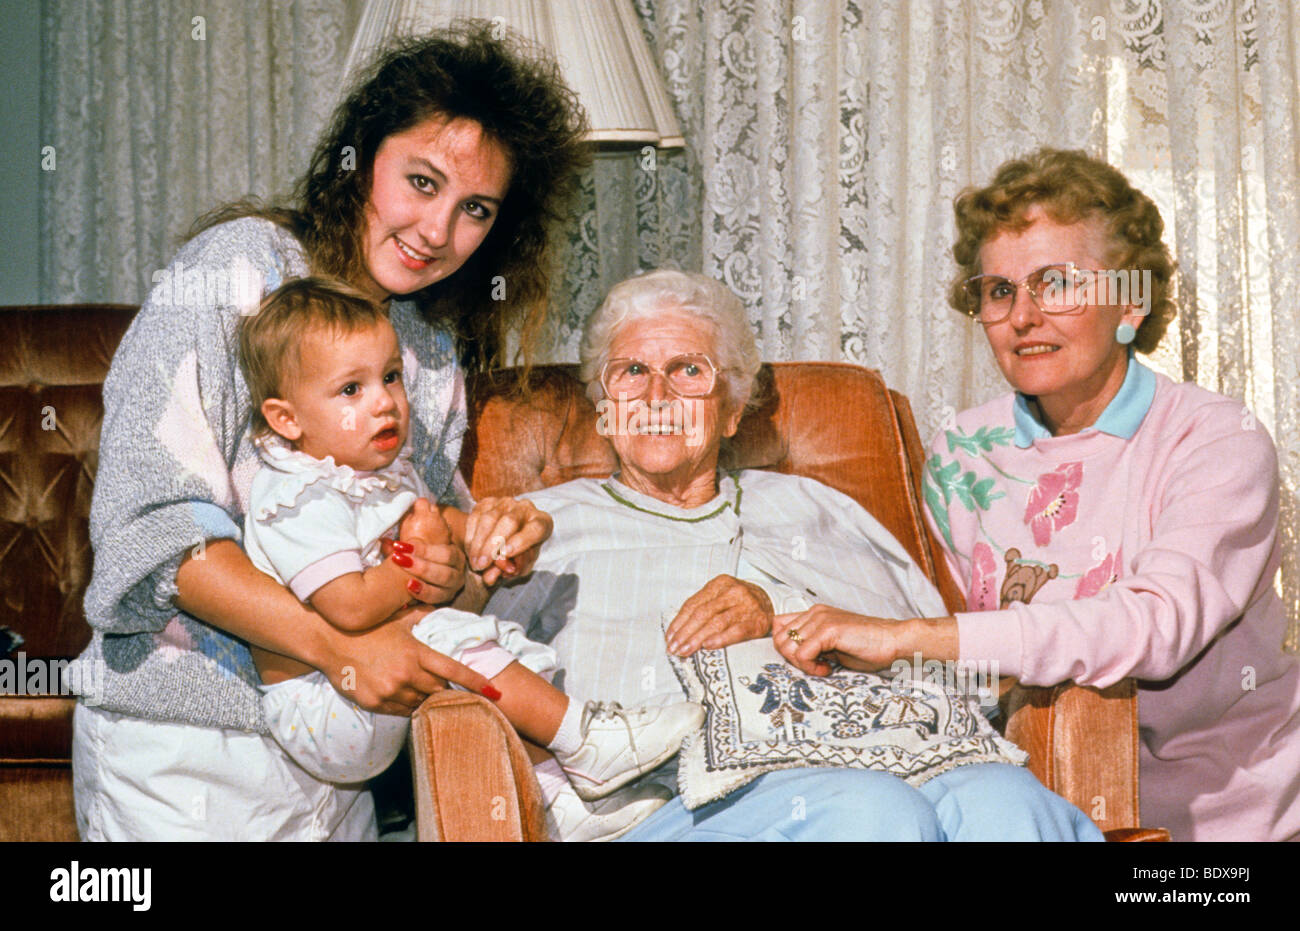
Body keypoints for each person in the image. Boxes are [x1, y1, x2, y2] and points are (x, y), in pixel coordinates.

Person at [70, 23, 590, 840]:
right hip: (186, 755)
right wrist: (334, 647)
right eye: (420, 181)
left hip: (339, 772)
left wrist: (485, 550)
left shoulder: (426, 355)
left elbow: (424, 580)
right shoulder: (236, 269)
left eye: (474, 210)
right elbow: (156, 528)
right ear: (362, 156)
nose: (435, 230)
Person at [774, 148, 1300, 841]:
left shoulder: (1215, 439)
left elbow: (1155, 628)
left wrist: (908, 638)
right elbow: (953, 658)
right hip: (1029, 811)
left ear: (1131, 300)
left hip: (1229, 828)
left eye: (1058, 284)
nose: (1024, 316)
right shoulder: (964, 449)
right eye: (999, 290)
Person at [483, 268, 1104, 841]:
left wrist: (779, 610)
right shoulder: (545, 523)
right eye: (631, 372)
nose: (657, 396)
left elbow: (934, 665)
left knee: (1008, 803)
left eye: (688, 371)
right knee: (871, 811)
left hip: (873, 753)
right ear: (605, 410)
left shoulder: (815, 508)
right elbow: (459, 646)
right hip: (670, 809)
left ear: (730, 412)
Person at [238, 276, 701, 840]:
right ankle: (585, 739)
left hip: (370, 695)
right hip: (325, 711)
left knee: (487, 640)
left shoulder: (378, 471)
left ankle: (559, 797)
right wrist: (411, 568)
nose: (384, 401)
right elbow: (350, 608)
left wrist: (486, 536)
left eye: (390, 377)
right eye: (350, 390)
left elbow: (439, 522)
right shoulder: (296, 498)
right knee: (441, 633)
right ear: (287, 420)